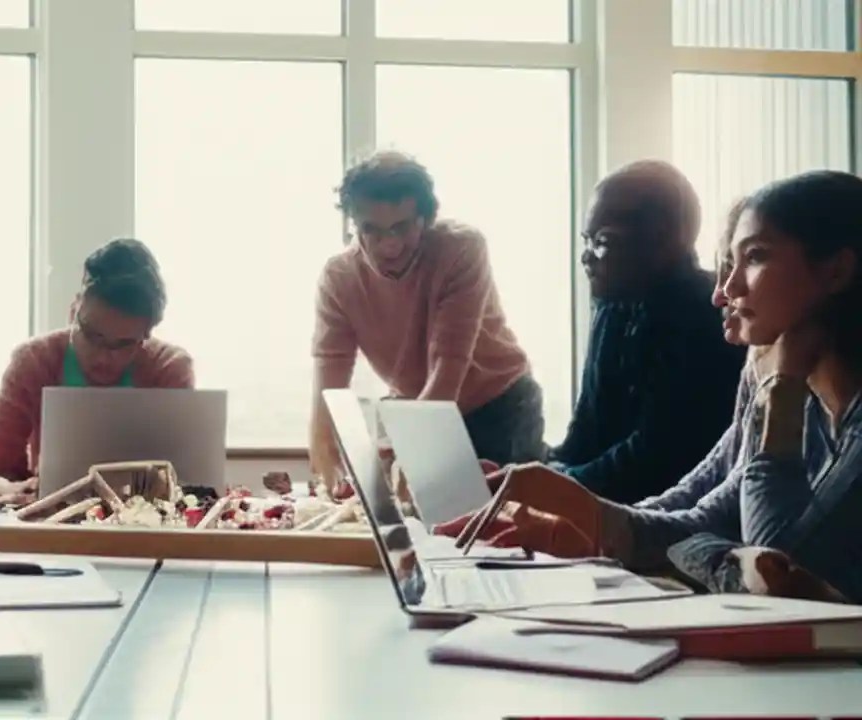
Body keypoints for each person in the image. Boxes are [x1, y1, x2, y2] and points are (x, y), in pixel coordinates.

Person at [437, 171, 862, 602]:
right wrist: (584, 525)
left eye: (754, 257)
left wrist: (783, 389)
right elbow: (703, 516)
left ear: (837, 271)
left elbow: (783, 570)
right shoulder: (783, 388)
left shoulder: (784, 392)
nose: (725, 291)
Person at [310, 151, 542, 486]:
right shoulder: (339, 277)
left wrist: (411, 448)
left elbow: (448, 360)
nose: (389, 246)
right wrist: (324, 445)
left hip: (497, 405)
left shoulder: (461, 248)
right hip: (421, 406)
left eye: (401, 227)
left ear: (425, 218)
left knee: (498, 527)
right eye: (371, 230)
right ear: (353, 224)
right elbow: (329, 372)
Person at [548, 161, 747, 504]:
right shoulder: (613, 307)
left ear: (663, 239)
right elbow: (586, 430)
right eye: (586, 240)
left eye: (602, 241)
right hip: (614, 511)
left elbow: (656, 456)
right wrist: (535, 473)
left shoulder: (706, 316)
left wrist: (559, 486)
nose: (586, 257)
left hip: (665, 517)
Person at [0, 238, 193, 499]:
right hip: (47, 527)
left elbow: (183, 483)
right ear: (73, 311)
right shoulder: (34, 360)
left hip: (142, 530)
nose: (103, 357)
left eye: (124, 345)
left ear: (146, 336)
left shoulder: (169, 369)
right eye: (92, 336)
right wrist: (17, 490)